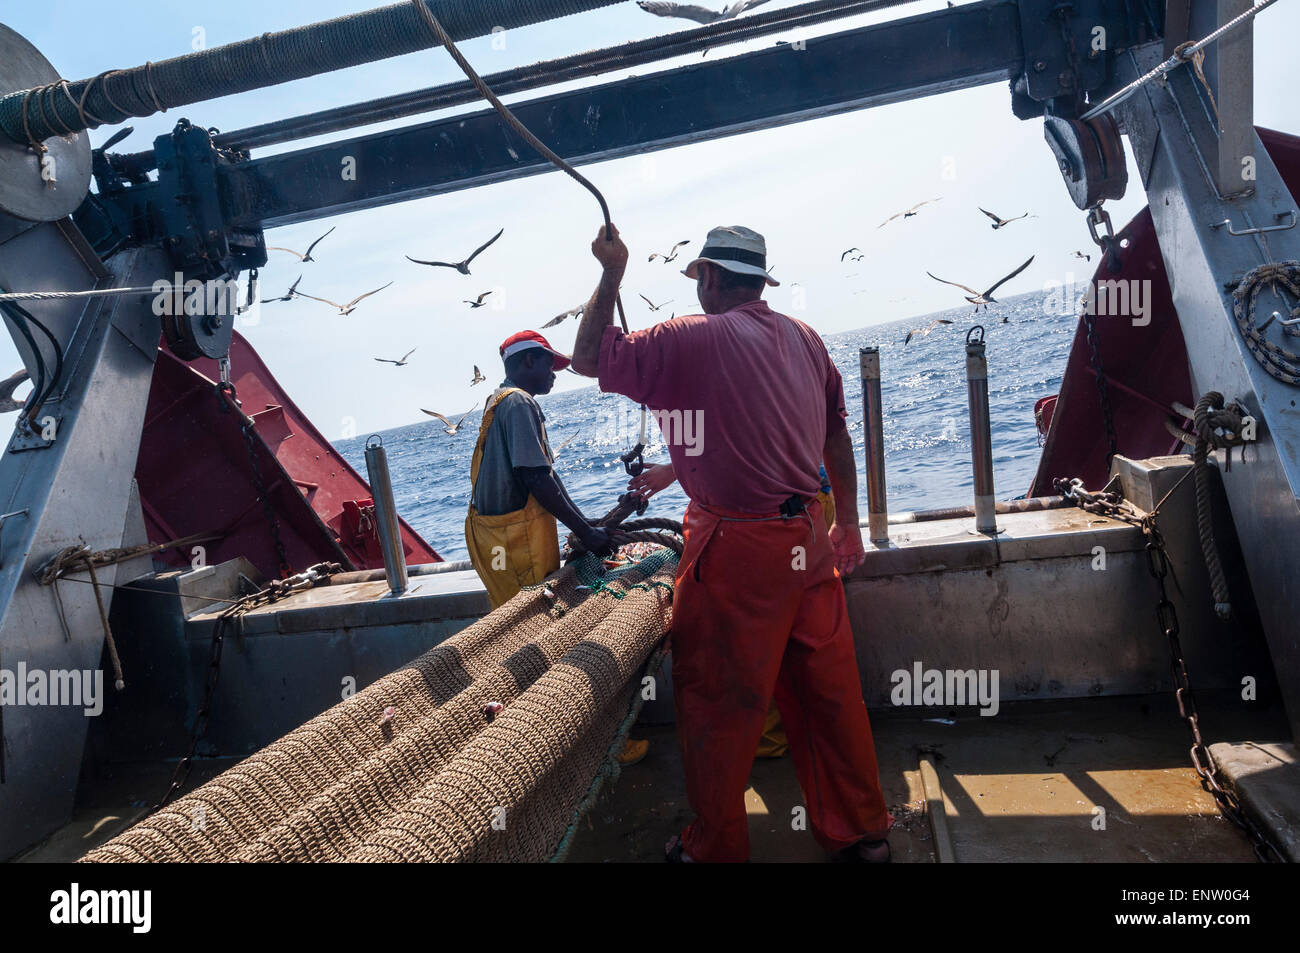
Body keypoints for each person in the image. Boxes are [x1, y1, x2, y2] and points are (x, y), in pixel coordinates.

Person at [571, 224, 893, 863]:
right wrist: (848, 523)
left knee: (715, 702)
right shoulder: (804, 338)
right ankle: (861, 836)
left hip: (739, 549)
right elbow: (835, 439)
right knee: (828, 696)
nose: (699, 293)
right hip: (808, 538)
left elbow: (589, 358)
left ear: (711, 278)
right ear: (760, 281)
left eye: (699, 282)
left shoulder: (692, 336)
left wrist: (611, 273)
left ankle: (714, 847)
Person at [627, 460, 837, 761]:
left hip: (776, 515)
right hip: (808, 502)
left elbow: (736, 438)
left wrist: (675, 470)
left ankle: (767, 741)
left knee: (755, 635)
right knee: (795, 626)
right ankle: (812, 734)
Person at [464, 330, 614, 609]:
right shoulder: (519, 402)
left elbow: (547, 474)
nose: (554, 374)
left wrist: (585, 527)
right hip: (515, 543)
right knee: (531, 617)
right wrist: (588, 534)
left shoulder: (498, 400)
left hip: (493, 540)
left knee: (510, 616)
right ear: (529, 361)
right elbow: (535, 478)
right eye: (549, 365)